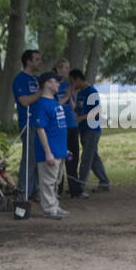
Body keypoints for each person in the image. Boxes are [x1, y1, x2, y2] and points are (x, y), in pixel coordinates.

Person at [32, 71, 71, 218]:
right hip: (50, 151)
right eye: (56, 81)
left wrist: (64, 149)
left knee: (56, 180)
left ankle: (54, 205)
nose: (58, 84)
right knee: (48, 181)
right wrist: (48, 152)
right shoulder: (42, 104)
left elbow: (58, 127)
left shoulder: (54, 102)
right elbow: (40, 129)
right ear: (47, 83)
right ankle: (49, 208)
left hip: (59, 149)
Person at [12, 49, 43, 201]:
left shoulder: (37, 79)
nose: (40, 62)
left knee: (38, 158)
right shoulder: (20, 79)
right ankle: (22, 193)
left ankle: (34, 191)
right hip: (28, 123)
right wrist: (41, 92)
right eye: (37, 59)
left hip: (40, 124)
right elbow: (24, 101)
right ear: (28, 61)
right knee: (29, 158)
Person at [72, 69, 109, 192]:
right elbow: (79, 109)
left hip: (92, 130)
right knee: (93, 158)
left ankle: (81, 186)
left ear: (77, 79)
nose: (72, 84)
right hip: (83, 130)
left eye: (72, 81)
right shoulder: (80, 93)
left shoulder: (91, 92)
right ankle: (104, 183)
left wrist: (80, 119)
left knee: (86, 158)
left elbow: (96, 113)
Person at [53, 58, 82, 198]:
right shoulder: (53, 85)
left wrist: (71, 98)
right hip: (60, 126)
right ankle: (57, 189)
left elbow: (73, 106)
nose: (67, 70)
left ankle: (75, 190)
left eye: (68, 67)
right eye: (64, 67)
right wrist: (66, 96)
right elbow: (54, 105)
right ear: (57, 69)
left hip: (72, 125)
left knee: (73, 158)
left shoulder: (67, 85)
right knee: (60, 158)